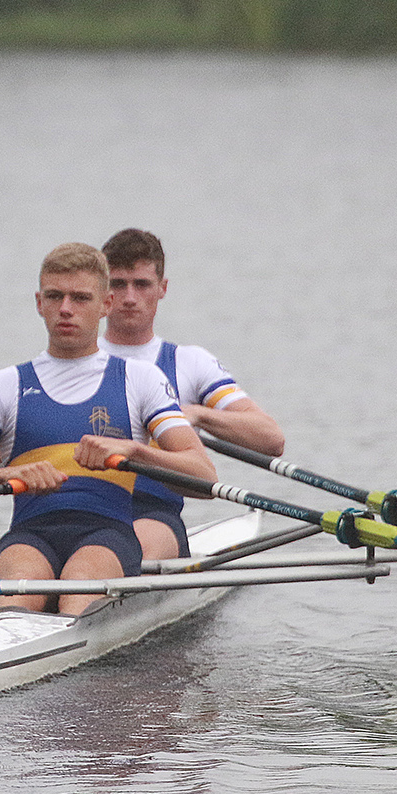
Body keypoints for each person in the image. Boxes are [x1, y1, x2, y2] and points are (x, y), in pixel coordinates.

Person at [0, 243, 218, 616]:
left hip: (107, 535)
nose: (66, 308)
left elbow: (204, 475)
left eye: (80, 298)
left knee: (77, 600)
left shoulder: (141, 379)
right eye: (55, 296)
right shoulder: (4, 385)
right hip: (30, 535)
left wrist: (135, 451)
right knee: (14, 601)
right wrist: (5, 474)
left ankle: (68, 624)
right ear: (38, 303)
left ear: (105, 305)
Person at [99, 227, 287, 562]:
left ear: (162, 289)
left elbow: (270, 439)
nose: (129, 297)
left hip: (151, 515)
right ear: (102, 291)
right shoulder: (72, 362)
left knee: (121, 551)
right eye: (118, 284)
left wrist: (198, 414)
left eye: (141, 284)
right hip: (80, 512)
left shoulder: (189, 364)